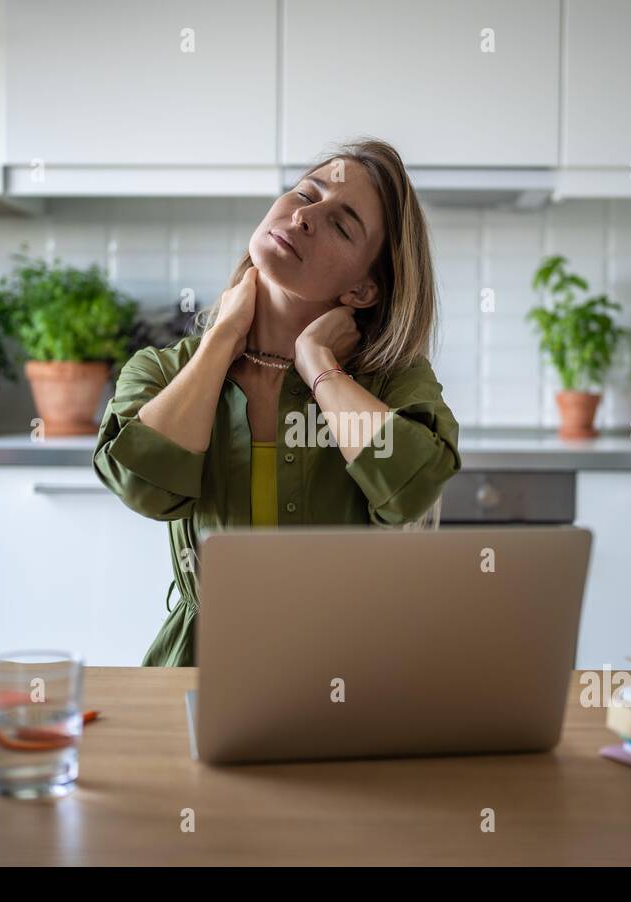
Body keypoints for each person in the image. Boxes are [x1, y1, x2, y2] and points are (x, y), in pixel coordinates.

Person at [93, 138, 461, 666]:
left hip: (346, 677)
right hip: (203, 668)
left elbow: (411, 486)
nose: (306, 215)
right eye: (304, 193)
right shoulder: (163, 370)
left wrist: (319, 365)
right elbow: (144, 485)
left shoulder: (392, 384)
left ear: (363, 290)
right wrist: (223, 338)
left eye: (341, 224)